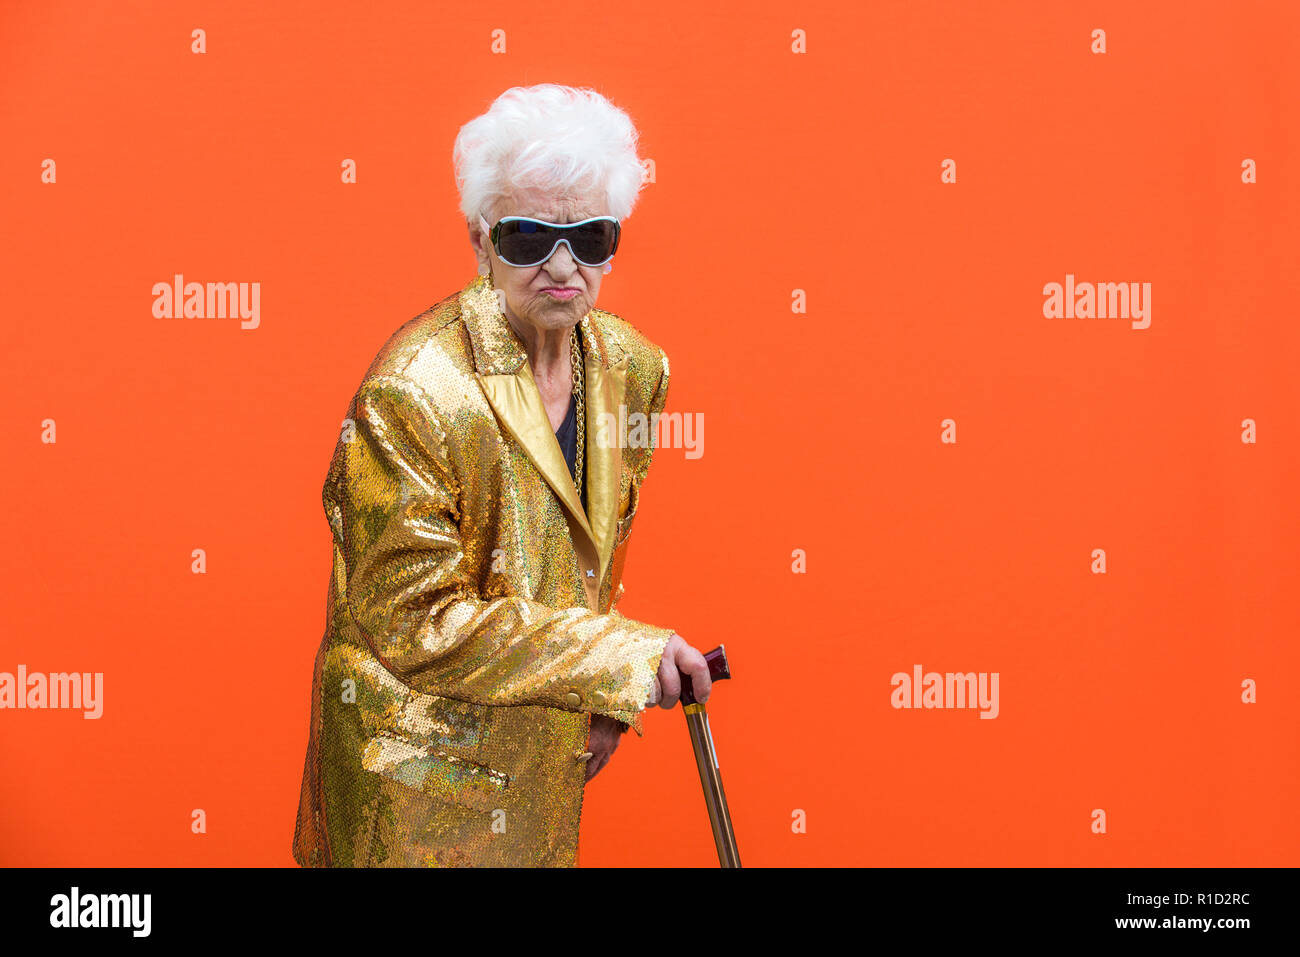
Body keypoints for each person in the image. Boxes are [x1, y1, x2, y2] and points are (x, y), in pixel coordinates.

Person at [291, 83, 711, 867]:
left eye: (589, 237)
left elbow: (594, 551)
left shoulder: (632, 367)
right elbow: (415, 623)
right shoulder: (412, 391)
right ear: (479, 240)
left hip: (541, 754)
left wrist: (600, 695)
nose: (561, 264)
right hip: (415, 784)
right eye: (526, 237)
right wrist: (614, 659)